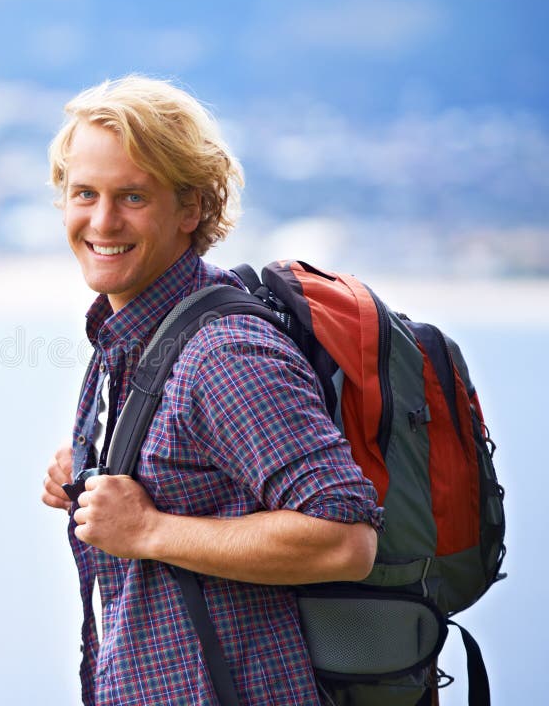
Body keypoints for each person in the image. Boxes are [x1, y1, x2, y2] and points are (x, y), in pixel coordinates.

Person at [41, 75, 383, 706]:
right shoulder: (132, 332)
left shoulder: (222, 354)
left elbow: (345, 538)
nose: (102, 220)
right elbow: (193, 475)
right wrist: (92, 472)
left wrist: (145, 530)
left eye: (133, 197)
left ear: (191, 207)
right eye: (84, 192)